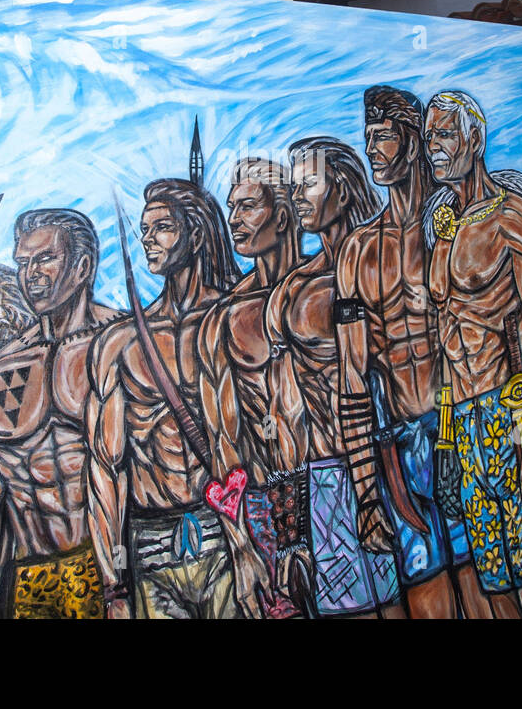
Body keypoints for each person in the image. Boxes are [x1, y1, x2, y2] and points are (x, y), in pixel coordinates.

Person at [423, 90, 522, 619]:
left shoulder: (512, 215)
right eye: (429, 139)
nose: (434, 149)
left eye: (444, 135)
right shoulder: (441, 225)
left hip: (509, 412)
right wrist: (446, 436)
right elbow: (444, 336)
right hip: (463, 421)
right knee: (495, 583)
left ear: (475, 138)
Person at [333, 86, 476, 618]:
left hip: (461, 433)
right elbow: (353, 382)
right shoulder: (356, 252)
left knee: (481, 585)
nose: (371, 149)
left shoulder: (454, 233)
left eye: (383, 137)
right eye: (366, 138)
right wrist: (368, 490)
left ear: (413, 143)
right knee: (425, 591)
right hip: (398, 449)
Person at [0, 213, 121, 619]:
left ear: (82, 266)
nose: (31, 275)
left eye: (45, 259)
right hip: (36, 578)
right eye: (23, 263)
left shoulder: (124, 345)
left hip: (116, 568)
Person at [86, 178, 243, 618]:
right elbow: (105, 468)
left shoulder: (233, 316)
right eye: (144, 230)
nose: (148, 241)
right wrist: (113, 582)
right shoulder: (120, 344)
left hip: (229, 528)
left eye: (162, 228)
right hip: (152, 536)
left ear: (194, 232)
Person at [264, 136, 402, 618]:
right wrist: (288, 535)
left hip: (401, 456)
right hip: (330, 480)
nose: (297, 196)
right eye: (293, 187)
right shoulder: (291, 293)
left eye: (309, 185)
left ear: (342, 190)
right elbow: (284, 417)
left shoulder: (388, 262)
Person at [196, 157, 301, 616]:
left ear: (282, 214)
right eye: (231, 208)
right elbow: (224, 442)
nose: (234, 220)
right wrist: (240, 545)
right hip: (264, 506)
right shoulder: (223, 318)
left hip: (337, 485)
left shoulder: (330, 284)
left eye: (248, 207)